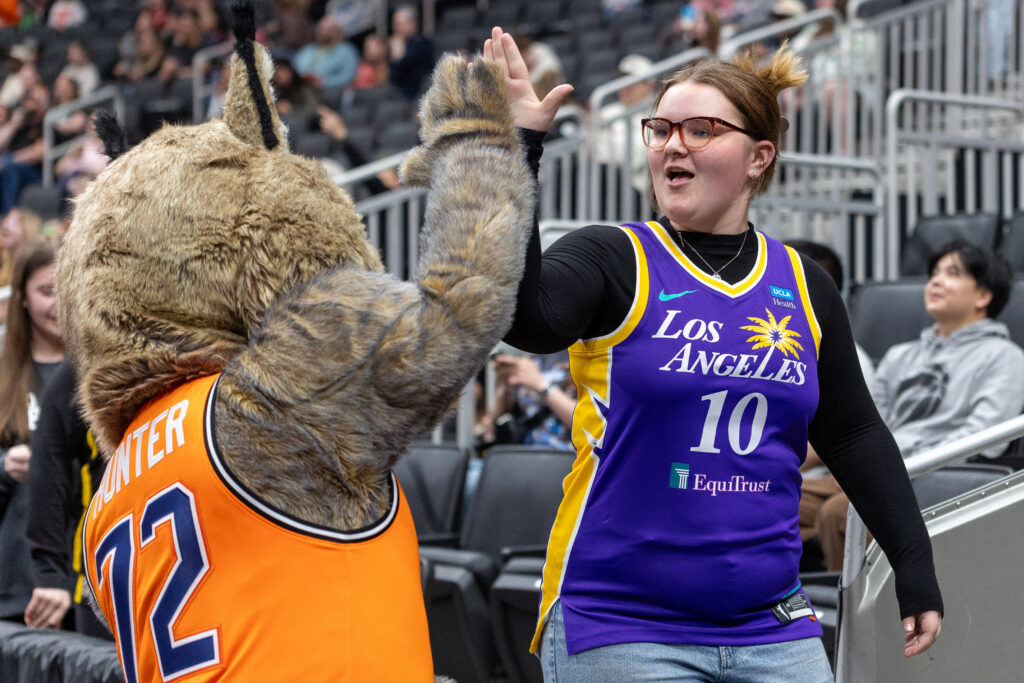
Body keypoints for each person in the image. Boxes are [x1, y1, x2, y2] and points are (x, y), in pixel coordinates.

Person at [483, 26, 942, 679]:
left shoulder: (805, 285)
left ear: (759, 157)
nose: (674, 144)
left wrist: (914, 564)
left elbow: (854, 434)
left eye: (700, 130)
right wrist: (516, 150)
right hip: (621, 622)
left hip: (772, 625)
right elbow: (526, 320)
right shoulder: (614, 257)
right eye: (661, 129)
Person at [815, 241, 1024, 570]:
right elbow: (866, 421)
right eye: (934, 273)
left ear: (983, 295)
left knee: (839, 514)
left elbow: (984, 437)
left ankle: (864, 604)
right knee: (766, 499)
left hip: (924, 477)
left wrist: (894, 467)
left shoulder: (1005, 358)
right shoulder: (900, 355)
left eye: (952, 273)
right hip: (868, 473)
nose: (935, 281)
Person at [0, 240, 64, 623]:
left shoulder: (95, 374)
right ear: (22, 298)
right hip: (15, 586)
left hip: (81, 581)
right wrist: (6, 466)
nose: (59, 304)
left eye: (65, 290)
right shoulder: (5, 373)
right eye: (46, 292)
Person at [24, 360, 110, 636]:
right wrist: (49, 573)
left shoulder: (210, 352)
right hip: (102, 571)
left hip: (195, 564)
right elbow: (48, 464)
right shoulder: (89, 359)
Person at [293, 15, 360, 90]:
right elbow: (295, 66)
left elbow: (348, 76)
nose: (323, 33)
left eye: (328, 30)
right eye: (320, 29)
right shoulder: (308, 49)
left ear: (338, 32)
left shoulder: (347, 51)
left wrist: (325, 82)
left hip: (331, 91)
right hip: (302, 87)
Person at [387, 5, 434, 100]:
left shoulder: (422, 43)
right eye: (395, 24)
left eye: (400, 24)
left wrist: (397, 53)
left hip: (419, 94)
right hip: (400, 95)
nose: (396, 28)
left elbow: (400, 70)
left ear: (412, 23)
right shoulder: (398, 43)